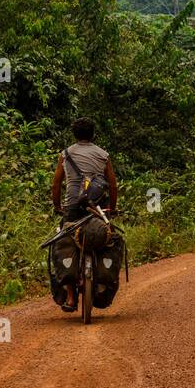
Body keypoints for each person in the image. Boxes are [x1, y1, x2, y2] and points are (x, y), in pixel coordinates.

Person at [49, 117, 118, 309]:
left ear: (74, 135)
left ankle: (70, 297)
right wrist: (112, 208)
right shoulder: (103, 155)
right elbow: (112, 184)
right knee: (107, 238)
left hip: (72, 206)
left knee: (65, 241)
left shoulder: (65, 154)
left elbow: (56, 184)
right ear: (93, 134)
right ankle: (101, 286)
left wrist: (57, 206)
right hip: (98, 207)